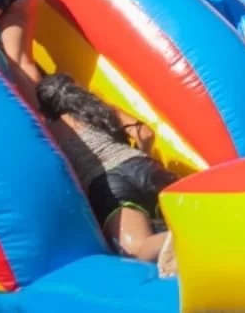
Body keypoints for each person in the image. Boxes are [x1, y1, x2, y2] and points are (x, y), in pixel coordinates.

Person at [35, 73, 178, 274]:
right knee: (188, 213)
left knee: (139, 249)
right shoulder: (100, 110)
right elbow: (146, 133)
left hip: (109, 185)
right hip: (143, 166)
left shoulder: (48, 133)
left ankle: (182, 240)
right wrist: (142, 155)